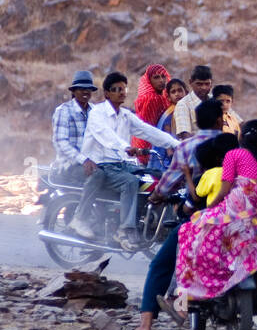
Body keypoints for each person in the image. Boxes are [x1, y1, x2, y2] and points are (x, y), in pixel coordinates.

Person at [130, 98, 225, 330]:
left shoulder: (187, 149)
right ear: (219, 120)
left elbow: (178, 190)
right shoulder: (232, 146)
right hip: (234, 219)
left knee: (163, 265)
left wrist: (157, 196)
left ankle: (146, 325)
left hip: (197, 218)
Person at [174, 118, 257, 308]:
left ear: (241, 137)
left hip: (233, 218)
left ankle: (183, 304)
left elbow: (224, 191)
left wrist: (210, 208)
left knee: (188, 235)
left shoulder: (234, 155)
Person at [70, 72, 177, 247]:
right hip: (101, 166)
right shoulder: (97, 113)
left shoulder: (126, 115)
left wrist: (176, 144)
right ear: (107, 93)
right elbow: (106, 135)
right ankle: (125, 230)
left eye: (123, 88)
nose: (121, 92)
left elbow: (148, 131)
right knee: (130, 182)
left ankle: (145, 222)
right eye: (116, 89)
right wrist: (125, 147)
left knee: (155, 176)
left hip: (121, 165)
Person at [50, 69, 98, 186]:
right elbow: (60, 143)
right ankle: (85, 205)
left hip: (91, 162)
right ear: (74, 91)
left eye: (88, 89)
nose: (85, 91)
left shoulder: (95, 110)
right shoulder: (64, 110)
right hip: (69, 165)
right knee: (99, 178)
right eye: (81, 88)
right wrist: (84, 160)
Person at [131, 63, 170, 165]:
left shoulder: (160, 96)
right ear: (149, 80)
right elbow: (149, 128)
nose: (161, 80)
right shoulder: (152, 99)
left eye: (163, 76)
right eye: (156, 77)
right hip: (147, 146)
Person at [151, 78, 187, 171]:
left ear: (186, 92)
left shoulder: (185, 109)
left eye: (180, 90)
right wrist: (170, 153)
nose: (177, 94)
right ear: (169, 97)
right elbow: (167, 135)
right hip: (167, 156)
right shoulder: (170, 114)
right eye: (173, 92)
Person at [172, 65, 214, 139]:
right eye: (199, 84)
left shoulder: (216, 100)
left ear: (211, 83)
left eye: (207, 84)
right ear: (190, 82)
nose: (204, 88)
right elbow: (185, 136)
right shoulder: (183, 104)